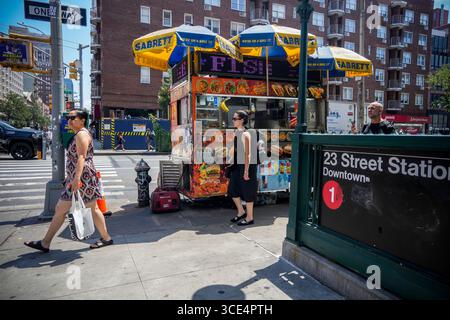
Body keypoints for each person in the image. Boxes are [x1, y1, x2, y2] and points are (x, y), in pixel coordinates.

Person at [24, 110, 113, 252]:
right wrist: (70, 177)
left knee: (68, 208)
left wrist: (76, 179)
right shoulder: (79, 134)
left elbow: (81, 157)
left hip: (82, 179)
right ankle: (106, 238)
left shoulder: (82, 134)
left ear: (82, 120)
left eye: (73, 118)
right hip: (80, 179)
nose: (69, 120)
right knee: (85, 208)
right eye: (68, 118)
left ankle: (45, 243)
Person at [227, 110, 258, 226]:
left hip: (247, 165)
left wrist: (246, 171)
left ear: (242, 120)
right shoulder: (236, 132)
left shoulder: (246, 134)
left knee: (248, 191)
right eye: (233, 118)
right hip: (237, 165)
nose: (233, 120)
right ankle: (241, 212)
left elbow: (247, 154)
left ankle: (250, 218)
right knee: (232, 189)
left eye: (235, 119)